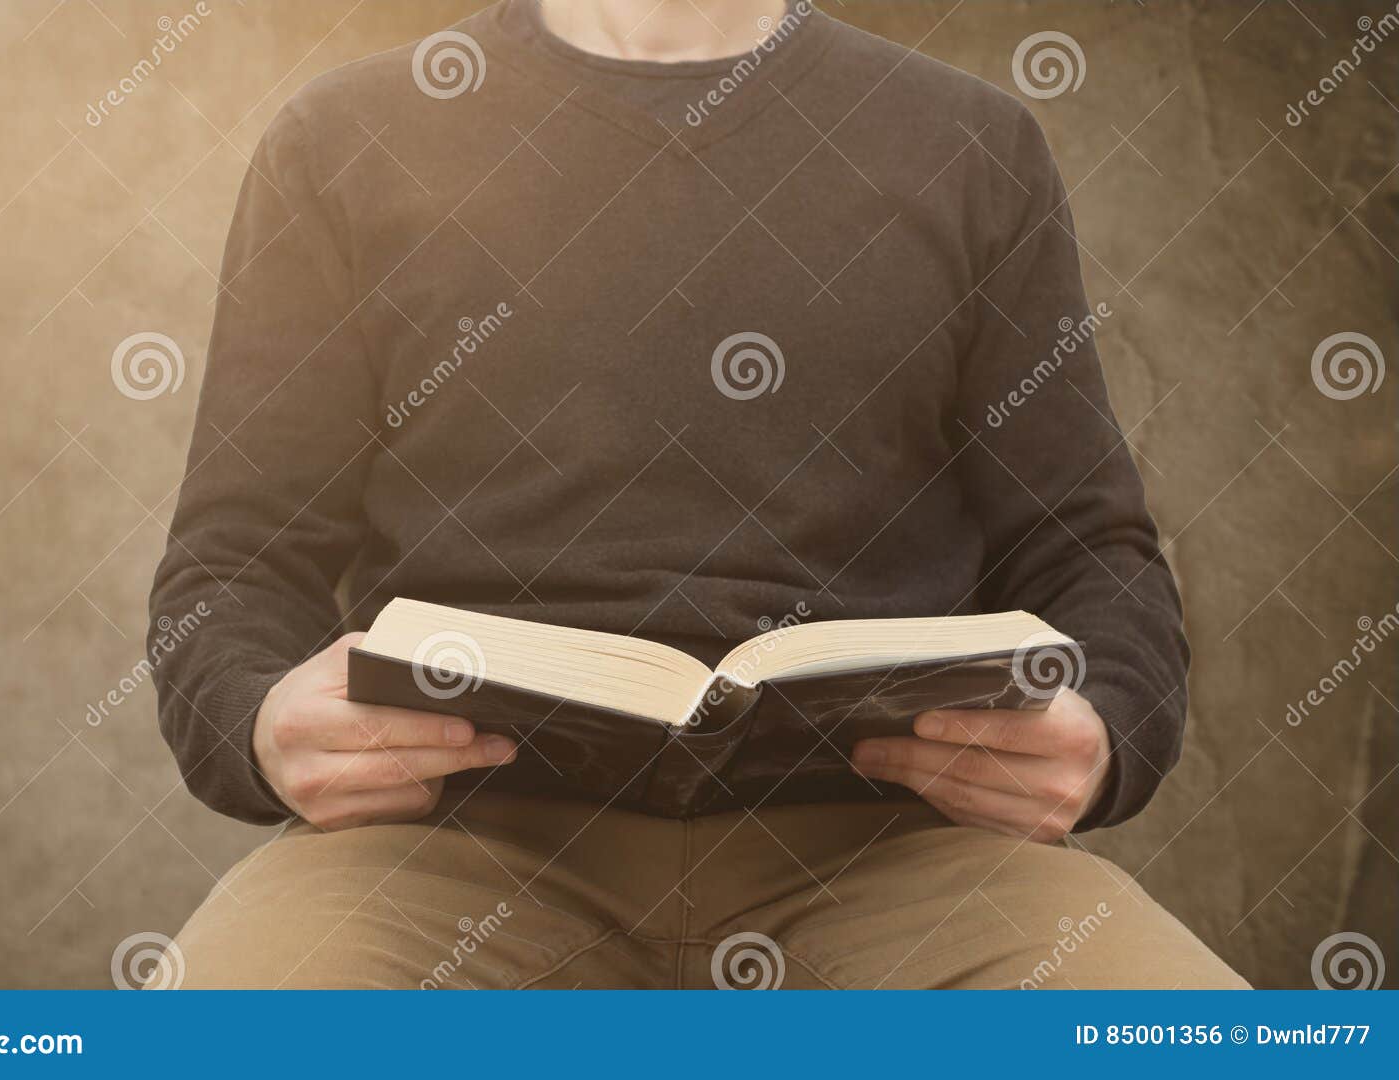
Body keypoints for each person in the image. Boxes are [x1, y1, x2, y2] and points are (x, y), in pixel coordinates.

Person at [147, 0, 1246, 989]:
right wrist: (253, 721)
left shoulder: (970, 143)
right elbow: (238, 563)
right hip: (446, 838)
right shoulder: (344, 138)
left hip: (904, 848)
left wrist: (1104, 729)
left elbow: (1091, 553)